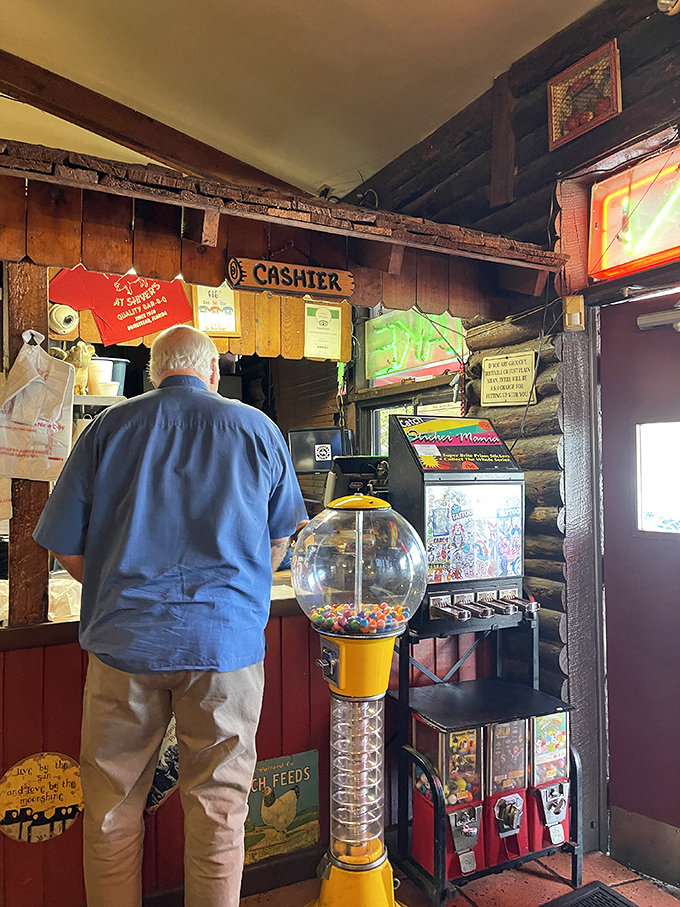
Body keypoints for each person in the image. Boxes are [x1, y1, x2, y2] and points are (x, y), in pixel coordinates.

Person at [33, 325, 307, 907]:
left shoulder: (108, 427)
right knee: (220, 810)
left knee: (110, 805)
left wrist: (112, 588)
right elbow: (282, 538)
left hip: (124, 644)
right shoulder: (258, 429)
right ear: (212, 372)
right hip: (226, 647)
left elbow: (63, 543)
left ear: (153, 372)